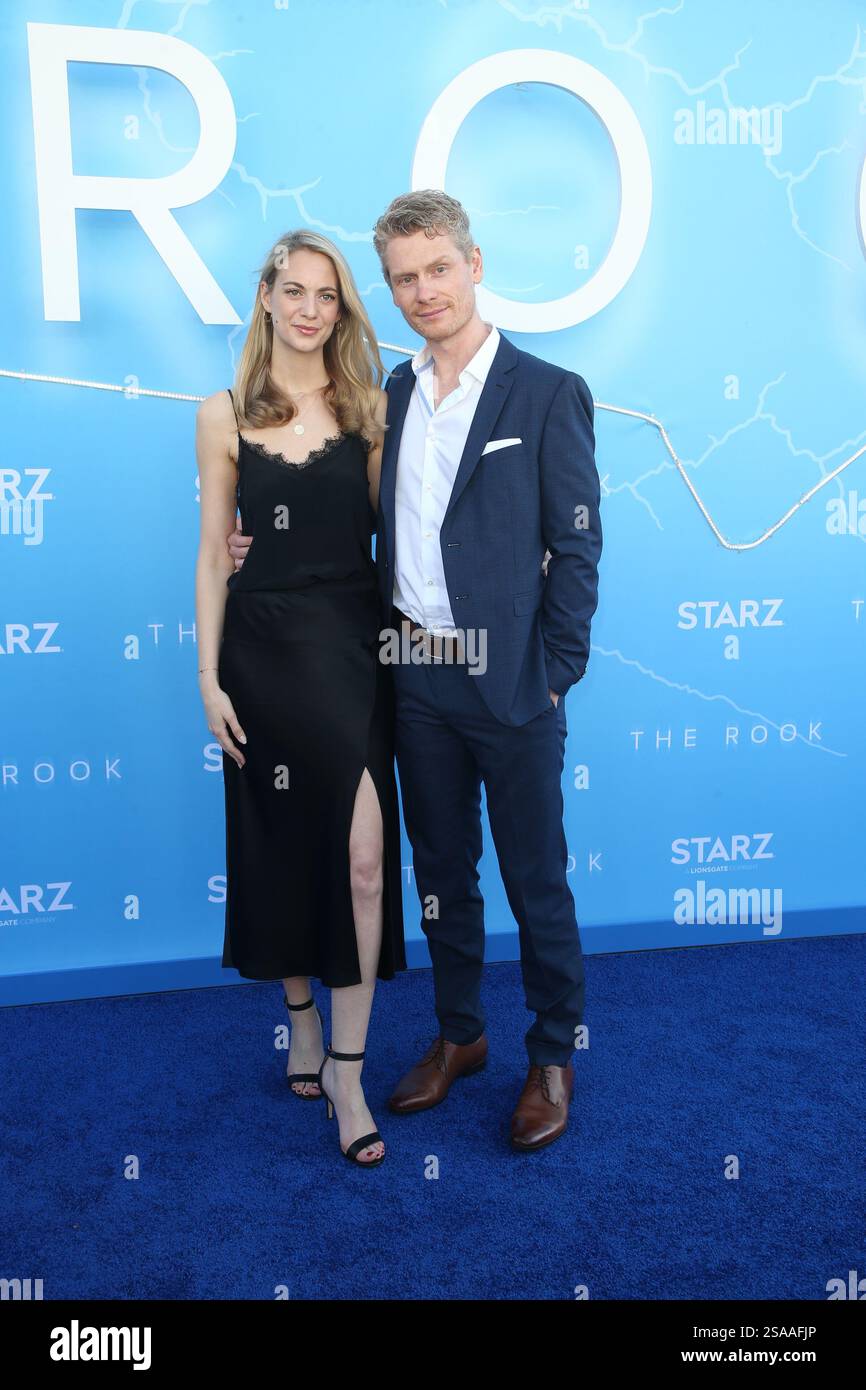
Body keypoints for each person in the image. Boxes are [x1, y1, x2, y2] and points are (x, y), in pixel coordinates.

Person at [229, 190, 602, 1152]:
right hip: (410, 672)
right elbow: (324, 511)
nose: (423, 290)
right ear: (387, 292)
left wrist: (555, 670)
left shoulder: (548, 392)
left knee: (535, 877)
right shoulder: (386, 397)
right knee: (441, 872)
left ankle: (553, 1053)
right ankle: (459, 1037)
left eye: (438, 268)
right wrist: (249, 548)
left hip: (512, 678)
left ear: (473, 264)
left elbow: (577, 547)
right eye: (404, 278)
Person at [195, 229, 406, 1168]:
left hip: (352, 652)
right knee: (279, 843)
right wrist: (206, 678)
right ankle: (300, 1021)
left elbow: (394, 545)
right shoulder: (221, 414)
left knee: (364, 860)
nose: (312, 308)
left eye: (329, 294)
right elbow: (213, 553)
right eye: (295, 290)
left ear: (342, 307)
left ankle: (351, 1069)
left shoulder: (370, 408)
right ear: (268, 298)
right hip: (262, 654)